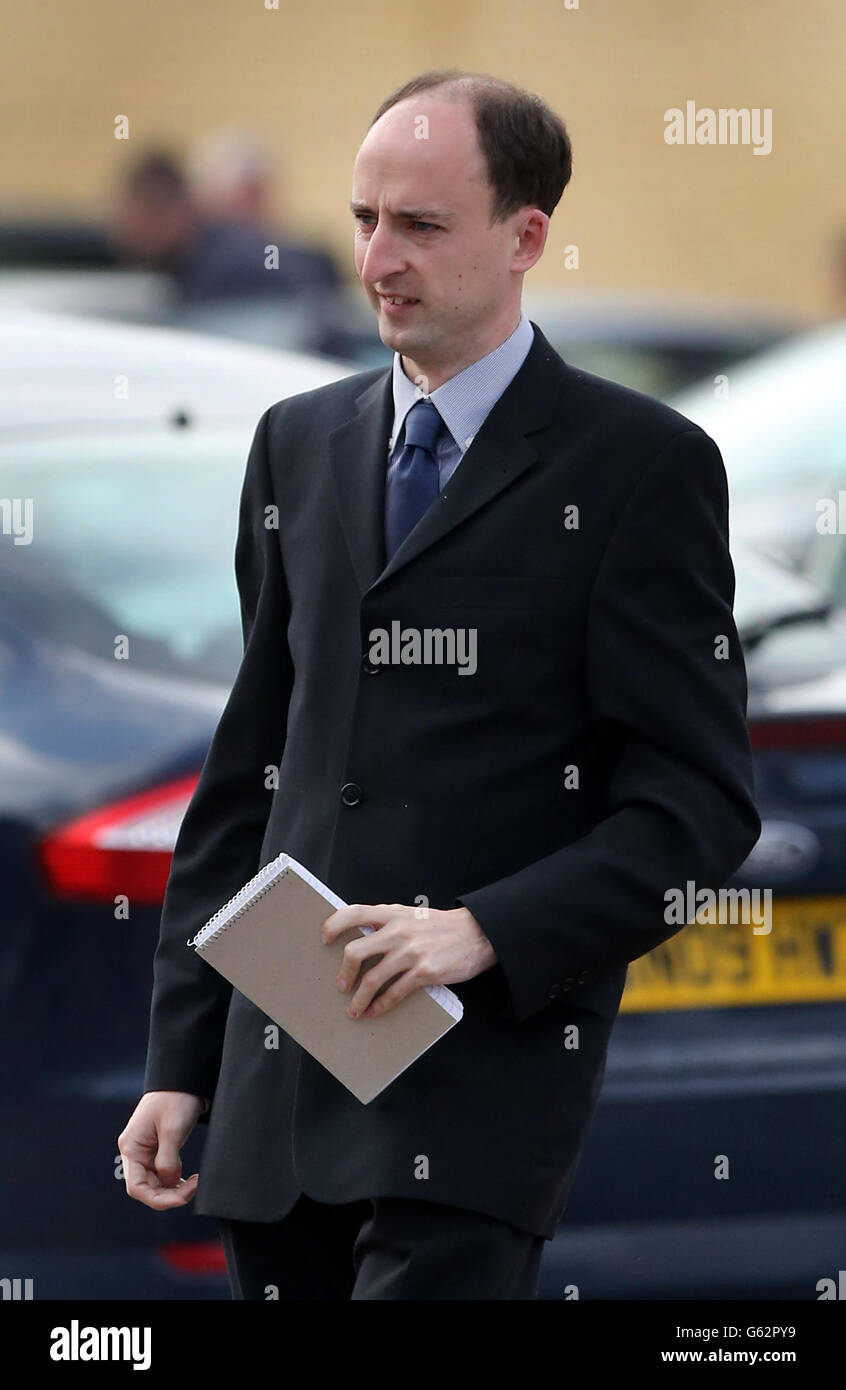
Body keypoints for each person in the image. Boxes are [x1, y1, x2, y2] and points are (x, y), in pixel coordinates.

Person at [119, 68, 761, 1301]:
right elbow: (253, 773)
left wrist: (483, 933)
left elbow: (698, 813)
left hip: (471, 1118)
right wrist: (181, 1059)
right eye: (364, 220)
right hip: (274, 1107)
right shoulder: (296, 443)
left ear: (526, 238)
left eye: (419, 225)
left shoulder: (642, 468)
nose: (378, 260)